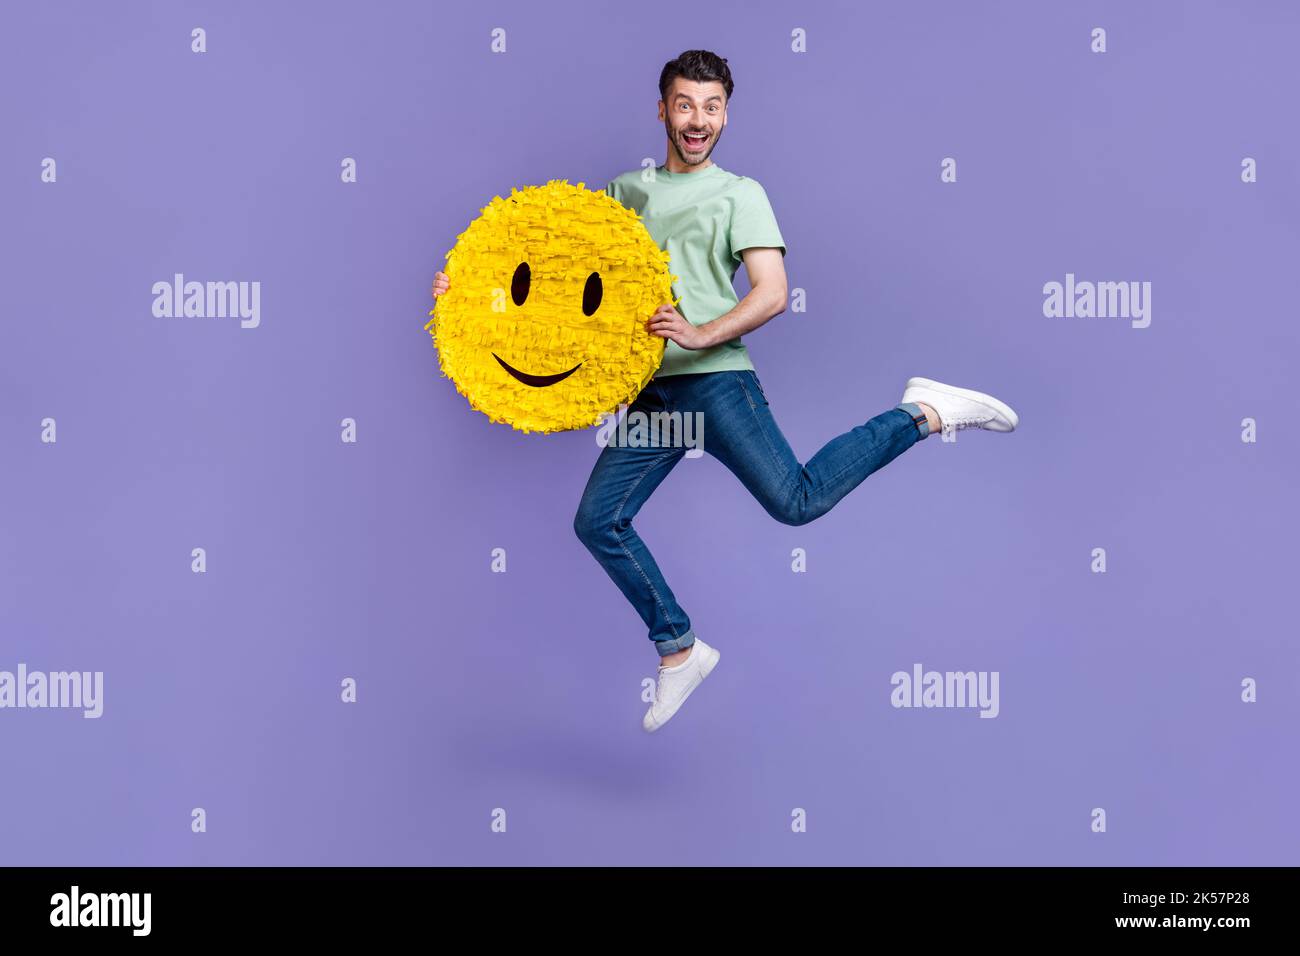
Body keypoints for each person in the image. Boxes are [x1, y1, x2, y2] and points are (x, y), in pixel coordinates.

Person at [432, 50, 1019, 734]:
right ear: (662, 110)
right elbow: (560, 290)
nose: (697, 120)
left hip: (716, 382)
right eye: (684, 105)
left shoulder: (741, 193)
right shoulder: (626, 193)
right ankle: (678, 649)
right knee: (597, 521)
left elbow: (773, 294)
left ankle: (923, 412)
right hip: (653, 397)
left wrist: (702, 332)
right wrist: (467, 297)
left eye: (711, 107)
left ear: (725, 114)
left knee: (796, 502)